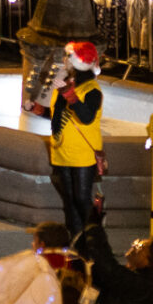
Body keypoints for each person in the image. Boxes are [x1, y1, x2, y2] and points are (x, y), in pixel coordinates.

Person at [38, 41, 104, 237]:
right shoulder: (69, 83)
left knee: (82, 200)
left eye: (69, 58)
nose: (65, 61)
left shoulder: (92, 90)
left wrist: (70, 96)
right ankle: (77, 242)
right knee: (69, 200)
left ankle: (96, 242)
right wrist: (37, 110)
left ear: (79, 63)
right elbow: (58, 114)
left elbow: (86, 117)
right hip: (61, 151)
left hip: (82, 155)